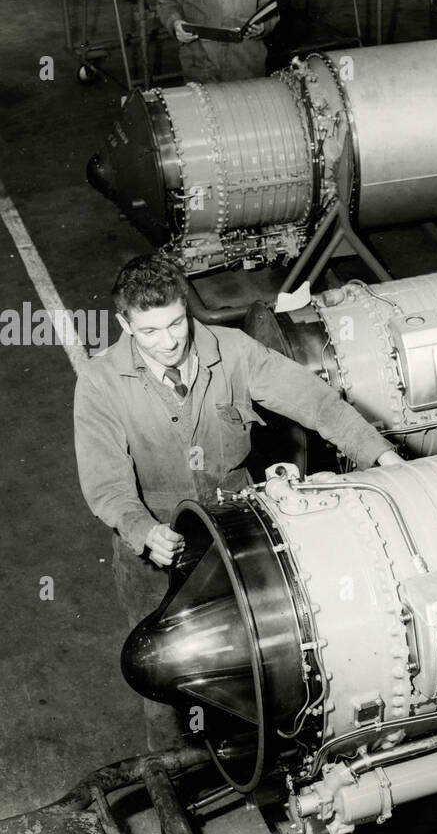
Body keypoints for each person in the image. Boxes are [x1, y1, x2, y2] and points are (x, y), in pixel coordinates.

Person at [74, 254, 402, 751]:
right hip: (157, 552)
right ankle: (176, 768)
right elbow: (106, 485)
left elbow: (316, 403)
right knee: (165, 672)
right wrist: (142, 530)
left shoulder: (232, 351)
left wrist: (382, 456)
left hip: (238, 538)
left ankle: (252, 763)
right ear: (124, 325)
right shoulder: (100, 383)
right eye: (149, 332)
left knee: (263, 662)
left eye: (175, 323)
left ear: (185, 307)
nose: (168, 343)